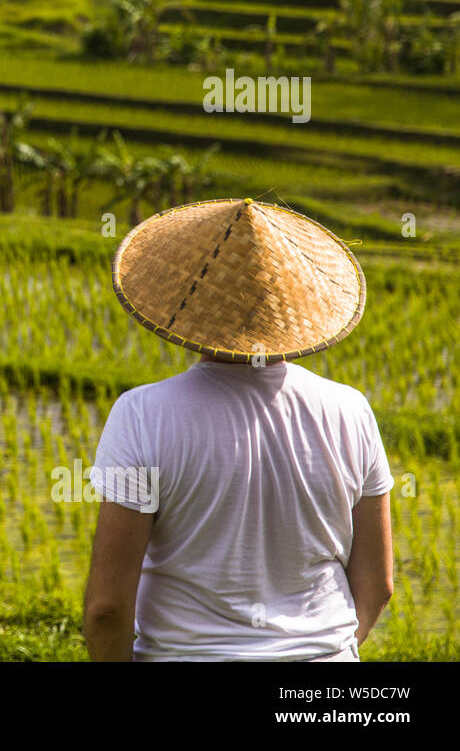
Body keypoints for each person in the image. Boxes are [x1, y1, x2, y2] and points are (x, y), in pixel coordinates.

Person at [82, 198, 394, 661]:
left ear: (185, 300)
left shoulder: (143, 414)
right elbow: (379, 584)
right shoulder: (351, 411)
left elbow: (107, 609)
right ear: (295, 308)